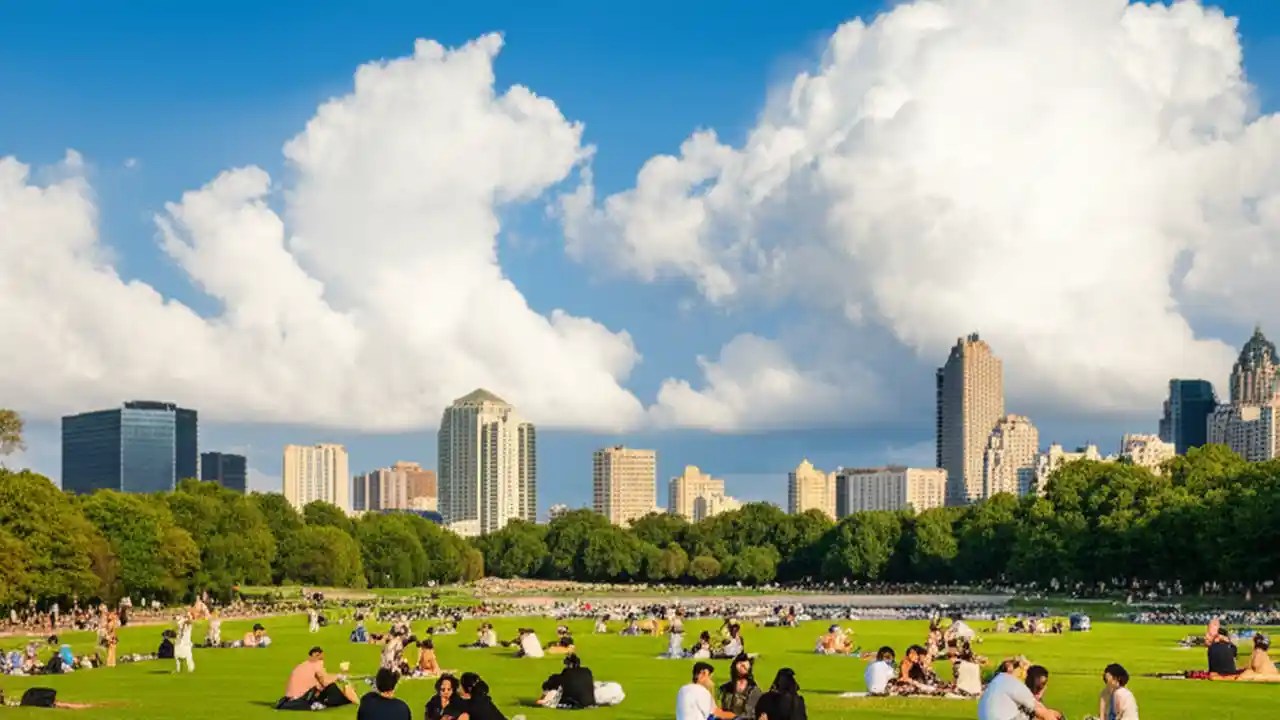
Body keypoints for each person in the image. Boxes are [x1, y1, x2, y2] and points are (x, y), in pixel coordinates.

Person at [276, 646, 359, 710]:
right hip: (302, 698)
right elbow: (325, 682)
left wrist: (337, 676)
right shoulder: (317, 664)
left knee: (327, 687)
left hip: (291, 697)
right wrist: (338, 677)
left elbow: (323, 677)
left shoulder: (304, 665)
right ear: (316, 655)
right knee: (332, 687)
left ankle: (345, 697)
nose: (322, 660)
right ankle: (346, 699)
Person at [719, 652, 761, 718]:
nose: (742, 666)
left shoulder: (753, 690)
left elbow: (750, 714)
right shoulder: (726, 688)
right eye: (739, 663)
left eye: (744, 664)